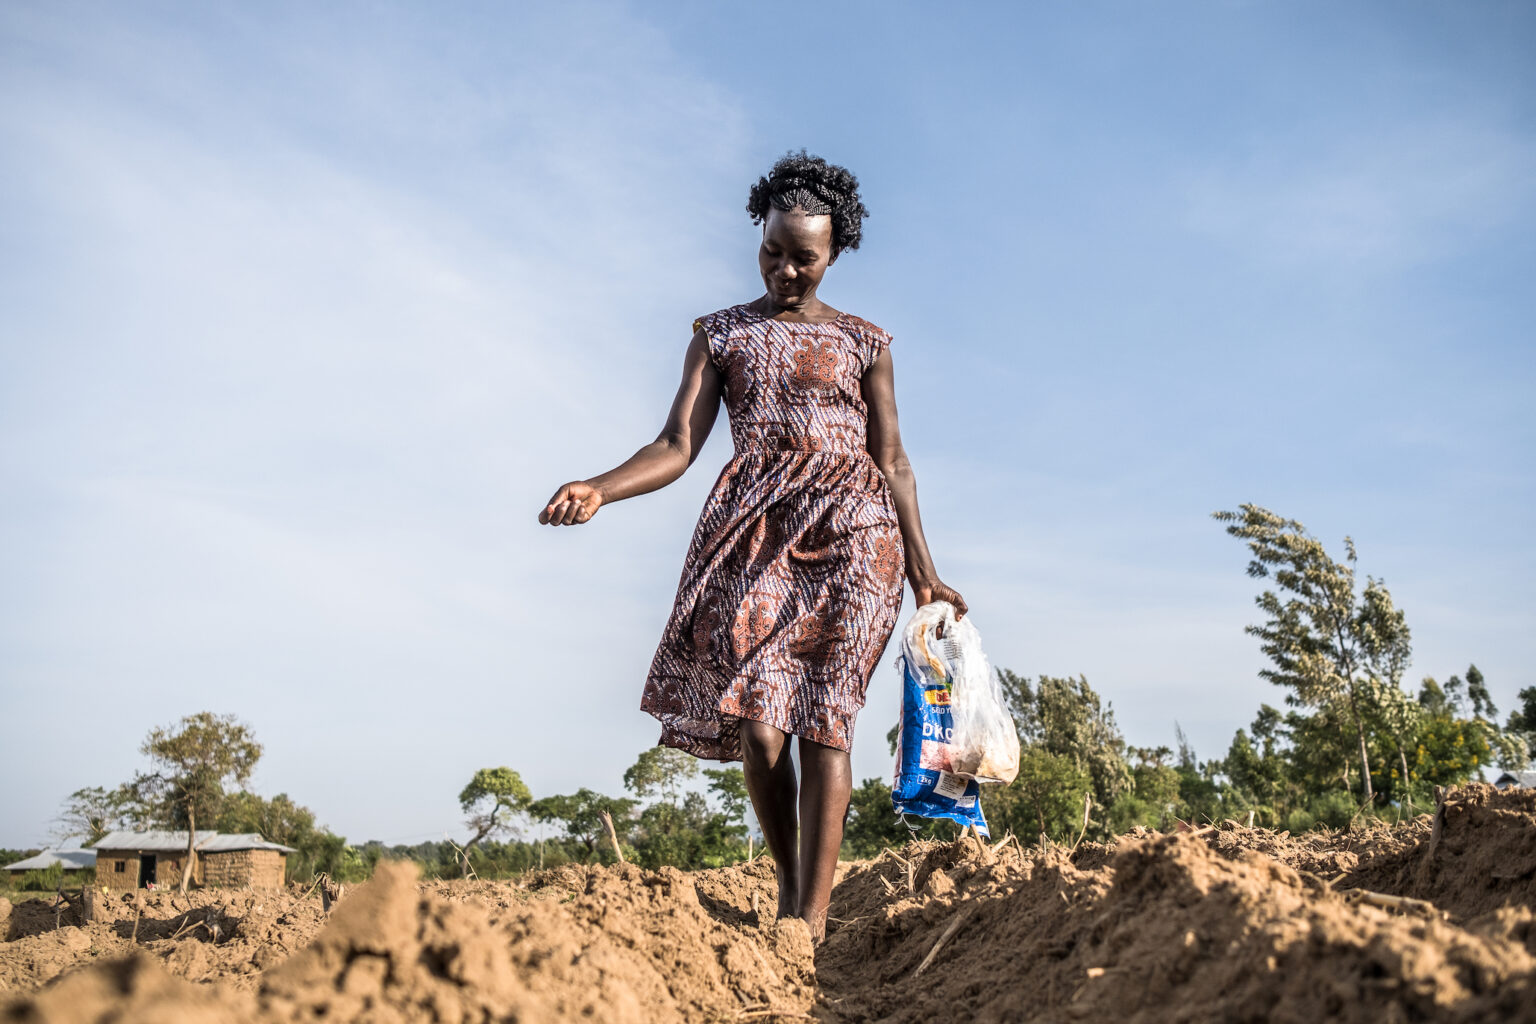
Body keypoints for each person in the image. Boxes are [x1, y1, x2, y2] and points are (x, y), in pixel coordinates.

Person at [538, 150, 965, 941]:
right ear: (758, 236)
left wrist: (925, 575)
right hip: (758, 535)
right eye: (773, 250)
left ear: (834, 254)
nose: (786, 269)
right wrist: (600, 486)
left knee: (824, 720)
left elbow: (893, 460)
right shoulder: (720, 334)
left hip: (857, 537)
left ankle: (811, 918)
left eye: (804, 257)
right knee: (763, 723)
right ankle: (786, 880)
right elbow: (675, 444)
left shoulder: (868, 342)